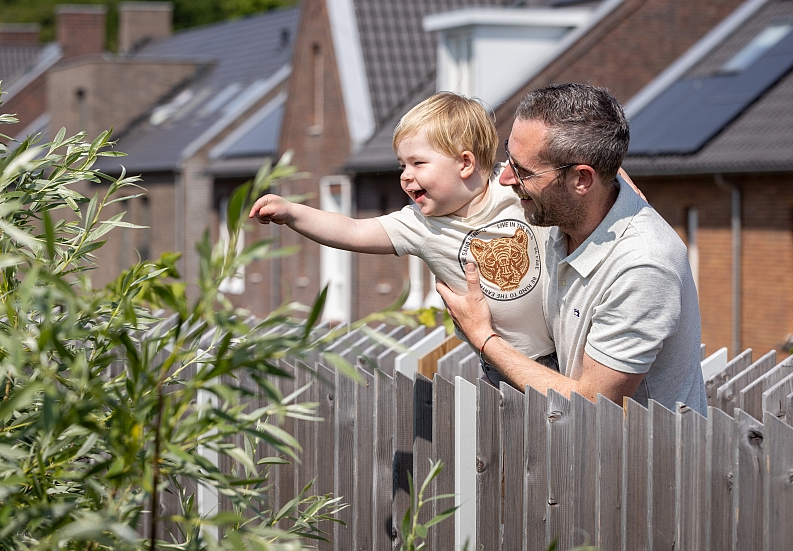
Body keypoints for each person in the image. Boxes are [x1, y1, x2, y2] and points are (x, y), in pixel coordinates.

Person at [436, 83, 706, 413]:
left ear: (582, 180)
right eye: (509, 156)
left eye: (523, 171)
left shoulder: (643, 266)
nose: (504, 179)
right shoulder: (560, 213)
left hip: (638, 460)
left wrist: (482, 336)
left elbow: (592, 401)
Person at [249, 92, 557, 368]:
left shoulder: (512, 186)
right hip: (503, 360)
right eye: (402, 166)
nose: (406, 177)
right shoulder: (419, 225)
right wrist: (292, 212)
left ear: (465, 163)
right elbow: (353, 230)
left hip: (567, 343)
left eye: (417, 163)